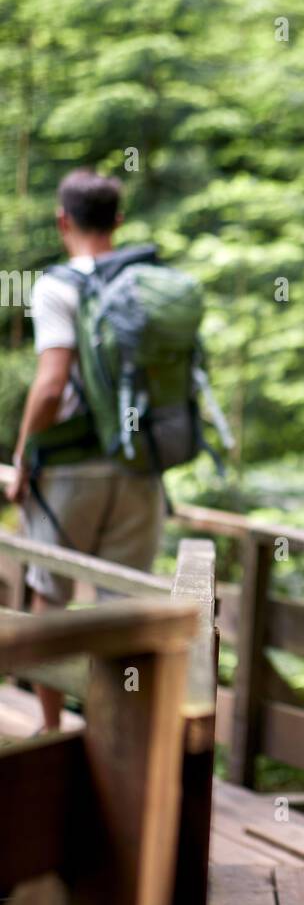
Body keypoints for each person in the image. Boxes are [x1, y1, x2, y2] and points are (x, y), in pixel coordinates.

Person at [5, 169, 163, 732]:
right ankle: (118, 739)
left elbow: (51, 385)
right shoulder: (150, 281)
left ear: (61, 220)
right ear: (118, 221)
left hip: (71, 468)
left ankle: (52, 729)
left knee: (51, 594)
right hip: (141, 467)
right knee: (123, 604)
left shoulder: (56, 286)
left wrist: (25, 455)